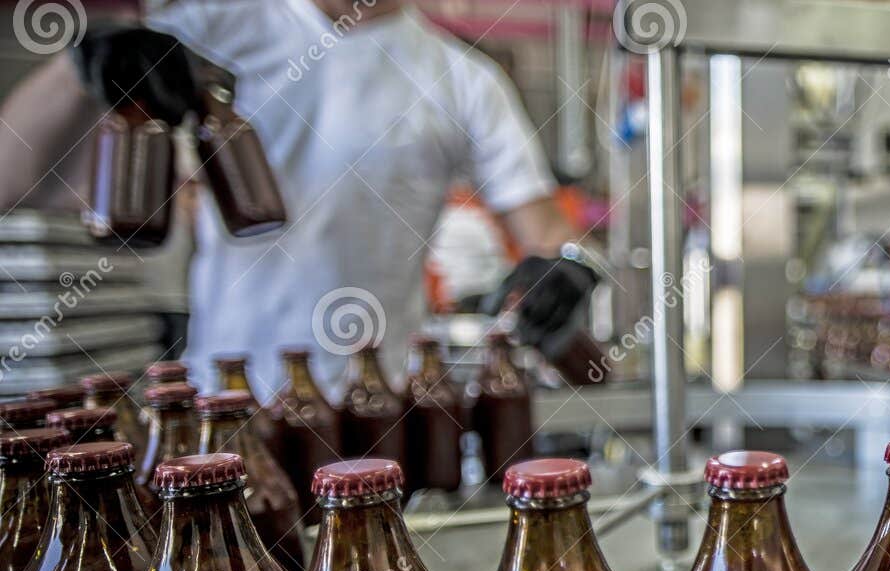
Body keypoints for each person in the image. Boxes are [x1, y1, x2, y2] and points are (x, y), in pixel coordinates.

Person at [0, 0, 597, 391]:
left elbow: (543, 231)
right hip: (230, 402)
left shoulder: (463, 79)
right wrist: (84, 59)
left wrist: (567, 269)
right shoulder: (216, 28)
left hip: (378, 406)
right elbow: (13, 176)